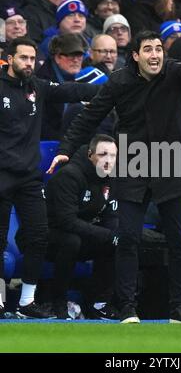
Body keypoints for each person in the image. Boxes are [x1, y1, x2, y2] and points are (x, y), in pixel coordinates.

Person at [48, 21, 181, 324]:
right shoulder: (119, 81)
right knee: (128, 239)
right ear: (135, 56)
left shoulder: (176, 73)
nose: (155, 54)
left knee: (179, 240)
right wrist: (64, 149)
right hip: (133, 163)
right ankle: (127, 308)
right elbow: (90, 116)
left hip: (169, 162)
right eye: (148, 49)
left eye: (159, 49)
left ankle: (179, 308)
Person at [0, 37, 98, 318]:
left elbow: (71, 90)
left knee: (39, 236)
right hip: (1, 175)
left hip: (29, 177)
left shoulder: (38, 87)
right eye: (23, 58)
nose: (29, 63)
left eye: (32, 59)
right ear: (9, 59)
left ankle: (26, 302)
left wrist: (112, 88)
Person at [45, 134, 119, 319]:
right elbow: (66, 221)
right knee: (71, 241)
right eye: (103, 154)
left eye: (113, 156)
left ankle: (99, 303)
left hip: (80, 234)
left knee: (117, 242)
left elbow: (111, 216)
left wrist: (116, 236)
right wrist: (107, 234)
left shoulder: (109, 179)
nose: (108, 161)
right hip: (45, 237)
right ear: (89, 155)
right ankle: (58, 303)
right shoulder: (69, 176)